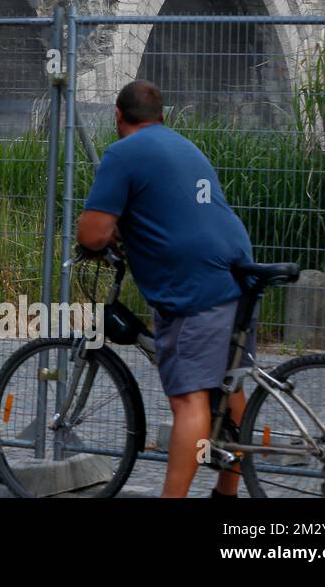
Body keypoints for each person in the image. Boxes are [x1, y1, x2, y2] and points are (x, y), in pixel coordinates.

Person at [76, 79, 256, 498]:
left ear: (117, 116)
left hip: (196, 283)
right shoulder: (184, 145)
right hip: (237, 267)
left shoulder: (123, 152)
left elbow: (91, 233)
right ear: (163, 117)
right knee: (231, 386)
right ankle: (226, 493)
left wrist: (108, 237)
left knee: (190, 399)